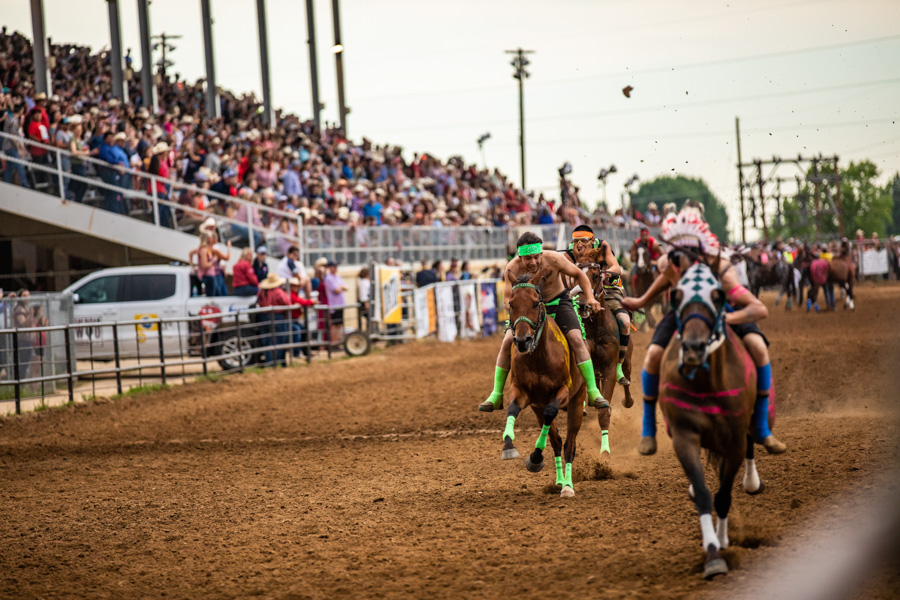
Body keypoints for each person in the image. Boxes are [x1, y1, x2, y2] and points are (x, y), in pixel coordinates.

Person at [621, 207, 787, 456]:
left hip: (721, 310)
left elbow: (758, 309)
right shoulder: (673, 266)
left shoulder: (721, 267)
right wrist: (639, 301)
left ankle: (762, 428)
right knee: (653, 355)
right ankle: (648, 429)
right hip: (682, 313)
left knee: (758, 347)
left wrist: (727, 317)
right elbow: (660, 284)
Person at [478, 232, 606, 412]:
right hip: (528, 311)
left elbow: (580, 275)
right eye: (528, 258)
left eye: (536, 257)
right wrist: (518, 307)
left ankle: (593, 391)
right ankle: (496, 394)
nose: (533, 262)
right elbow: (507, 299)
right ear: (520, 257)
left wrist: (591, 298)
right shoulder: (512, 268)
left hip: (558, 303)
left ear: (541, 253)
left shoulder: (554, 259)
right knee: (507, 342)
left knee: (577, 339)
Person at [256, 273, 290, 366]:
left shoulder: (261, 292)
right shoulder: (278, 291)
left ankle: (269, 361)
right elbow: (287, 302)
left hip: (264, 316)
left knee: (267, 340)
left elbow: (259, 303)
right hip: (277, 316)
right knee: (279, 339)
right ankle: (277, 361)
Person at [2, 101, 30, 188]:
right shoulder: (14, 120)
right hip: (11, 147)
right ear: (21, 111)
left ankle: (5, 184)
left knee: (9, 168)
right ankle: (25, 185)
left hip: (6, 146)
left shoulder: (9, 119)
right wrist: (19, 148)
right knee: (19, 166)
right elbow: (13, 136)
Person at [288, 276, 315, 357]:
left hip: (294, 319)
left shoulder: (295, 294)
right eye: (294, 286)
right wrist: (311, 302)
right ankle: (296, 352)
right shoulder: (291, 294)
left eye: (297, 286)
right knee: (298, 330)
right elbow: (301, 301)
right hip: (290, 319)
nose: (296, 288)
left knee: (303, 330)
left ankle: (305, 351)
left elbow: (301, 301)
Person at [324, 260, 348, 343]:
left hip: (340, 304)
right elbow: (336, 290)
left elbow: (346, 287)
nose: (335, 268)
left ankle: (338, 342)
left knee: (339, 324)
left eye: (336, 266)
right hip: (334, 305)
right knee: (334, 325)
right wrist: (341, 287)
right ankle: (334, 343)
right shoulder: (329, 278)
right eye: (333, 266)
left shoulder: (338, 277)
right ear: (329, 268)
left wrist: (341, 287)